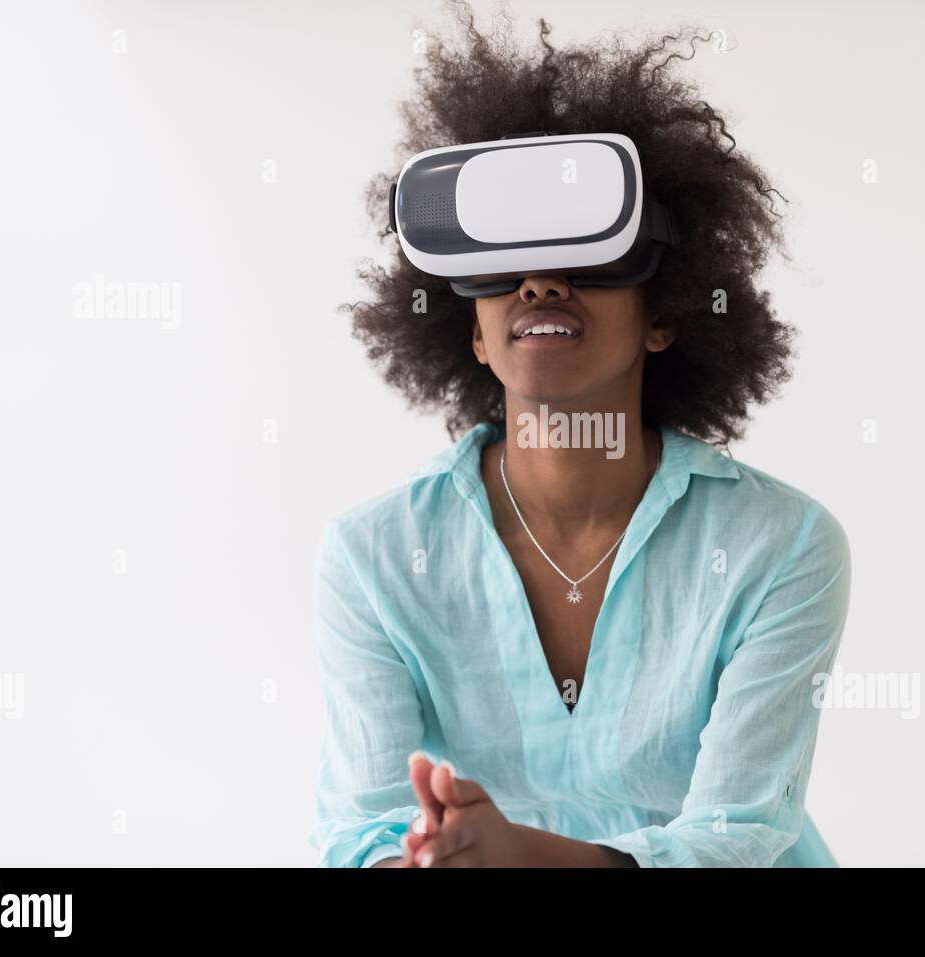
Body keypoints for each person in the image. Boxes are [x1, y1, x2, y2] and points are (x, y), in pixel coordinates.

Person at [308, 0, 851, 867]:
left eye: (590, 252)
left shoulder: (779, 546)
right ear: (475, 334)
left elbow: (738, 836)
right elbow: (357, 831)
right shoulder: (374, 557)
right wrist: (424, 856)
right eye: (504, 262)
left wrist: (523, 856)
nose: (540, 283)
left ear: (664, 314)